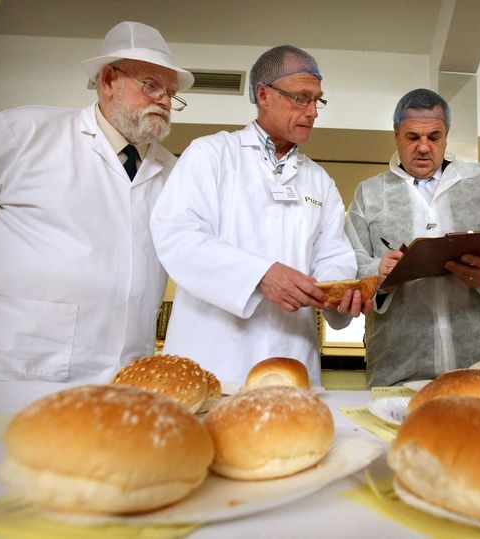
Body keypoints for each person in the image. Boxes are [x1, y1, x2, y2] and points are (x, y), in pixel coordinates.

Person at [151, 45, 369, 386]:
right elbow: (178, 237)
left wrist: (337, 292)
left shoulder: (319, 181)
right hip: (214, 357)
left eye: (317, 100)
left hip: (291, 356)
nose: (313, 111)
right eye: (301, 98)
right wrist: (260, 275)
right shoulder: (211, 155)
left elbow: (333, 255)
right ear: (263, 95)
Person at [0, 21, 191, 382]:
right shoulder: (23, 134)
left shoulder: (175, 173)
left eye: (170, 92)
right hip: (19, 370)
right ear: (108, 81)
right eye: (151, 85)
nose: (164, 99)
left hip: (127, 376)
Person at [345, 88, 480, 387]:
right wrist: (378, 270)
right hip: (400, 363)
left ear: (446, 136)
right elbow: (349, 258)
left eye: (434, 137)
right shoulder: (370, 193)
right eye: (413, 137)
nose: (424, 147)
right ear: (397, 135)